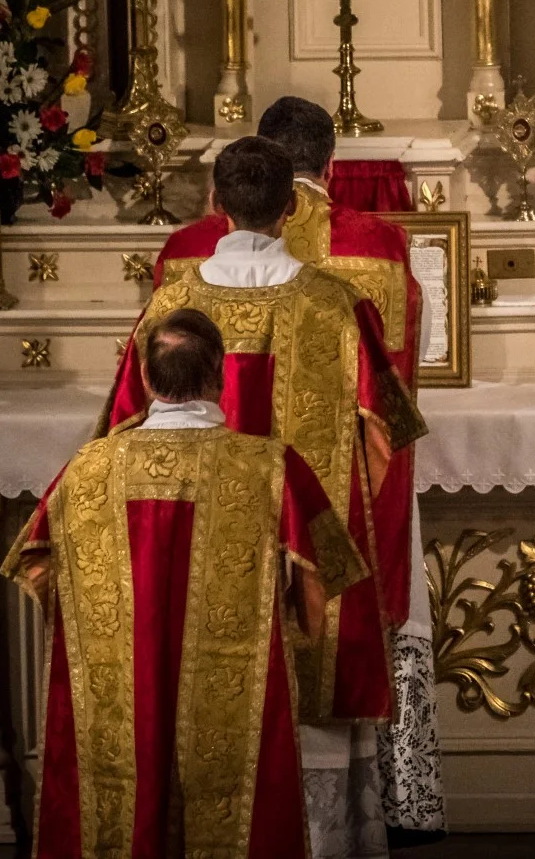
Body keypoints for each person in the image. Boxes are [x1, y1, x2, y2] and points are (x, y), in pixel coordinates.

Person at [106, 136, 425, 859]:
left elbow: (126, 433)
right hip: (302, 552)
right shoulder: (335, 304)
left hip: (194, 559)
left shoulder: (170, 306)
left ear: (215, 203)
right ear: (291, 209)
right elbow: (383, 445)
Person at [4, 309, 367, 858]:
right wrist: (292, 634)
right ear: (220, 375)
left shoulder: (88, 468)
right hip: (232, 688)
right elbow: (321, 577)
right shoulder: (270, 466)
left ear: (145, 378)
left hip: (123, 689)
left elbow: (37, 567)